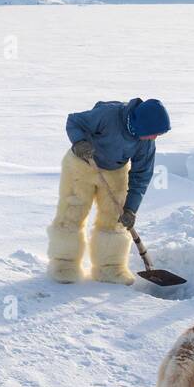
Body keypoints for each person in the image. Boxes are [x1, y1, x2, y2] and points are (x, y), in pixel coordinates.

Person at [46, 97, 171, 285]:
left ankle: (110, 267)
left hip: (115, 171)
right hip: (83, 163)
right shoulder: (109, 115)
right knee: (73, 212)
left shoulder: (146, 142)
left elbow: (141, 176)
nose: (154, 138)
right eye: (153, 133)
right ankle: (64, 263)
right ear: (140, 124)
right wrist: (79, 142)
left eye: (157, 135)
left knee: (115, 219)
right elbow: (74, 121)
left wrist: (131, 209)